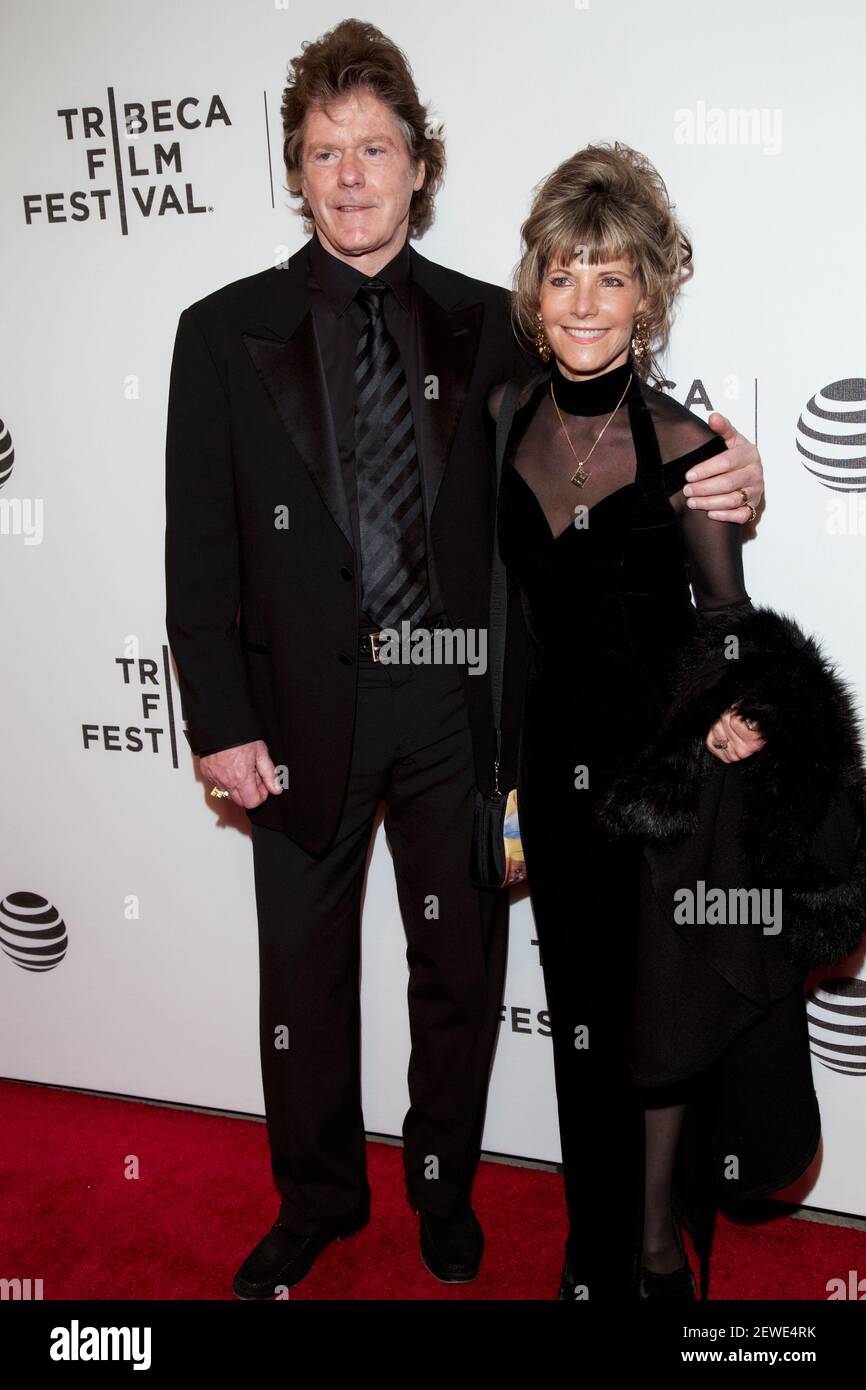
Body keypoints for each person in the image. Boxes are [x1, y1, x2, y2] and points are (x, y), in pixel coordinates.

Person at [164, 22, 764, 1299]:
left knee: (459, 971)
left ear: (418, 164)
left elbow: (611, 416)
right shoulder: (220, 333)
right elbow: (198, 548)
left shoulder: (495, 325)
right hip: (293, 712)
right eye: (323, 151)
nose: (349, 174)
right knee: (305, 979)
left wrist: (732, 465)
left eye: (373, 146)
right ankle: (318, 1196)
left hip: (455, 708)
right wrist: (218, 717)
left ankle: (442, 1188)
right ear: (293, 167)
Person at [488, 140, 865, 1303]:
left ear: (647, 292)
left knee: (656, 1020)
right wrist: (502, 784)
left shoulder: (692, 449)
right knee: (581, 1020)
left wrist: (720, 731)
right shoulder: (500, 416)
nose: (584, 301)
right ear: (533, 290)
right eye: (562, 274)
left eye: (610, 276)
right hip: (554, 778)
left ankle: (654, 1243)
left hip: (659, 786)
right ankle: (590, 1232)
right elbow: (503, 615)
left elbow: (727, 623)